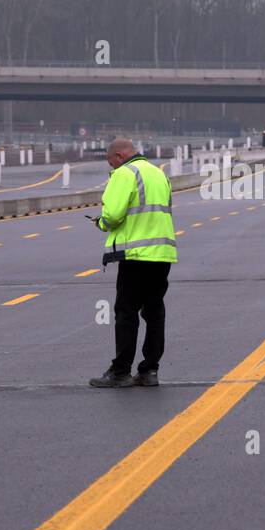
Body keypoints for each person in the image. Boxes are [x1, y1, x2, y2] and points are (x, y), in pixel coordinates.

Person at [89, 138, 177, 388]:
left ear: (118, 156)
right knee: (154, 313)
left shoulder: (124, 173)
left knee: (126, 313)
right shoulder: (159, 174)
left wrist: (102, 223)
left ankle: (120, 372)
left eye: (111, 163)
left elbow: (114, 214)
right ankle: (149, 371)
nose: (112, 168)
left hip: (135, 254)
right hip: (161, 254)